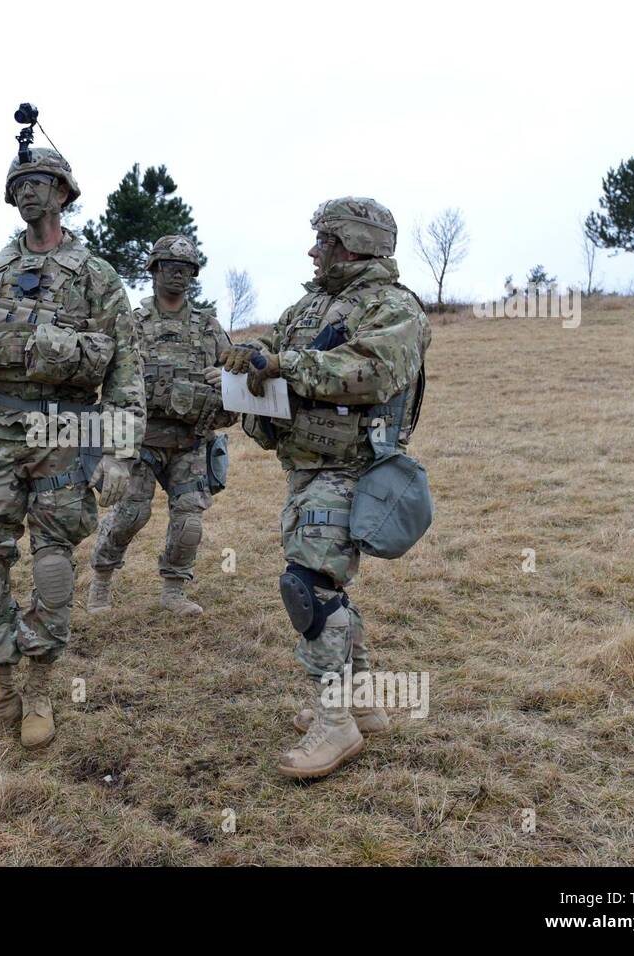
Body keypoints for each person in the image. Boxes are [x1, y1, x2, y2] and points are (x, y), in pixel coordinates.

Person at [0, 145, 144, 750]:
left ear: (64, 192)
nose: (28, 190)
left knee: (52, 562)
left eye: (40, 181)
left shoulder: (96, 277)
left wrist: (120, 450)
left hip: (65, 432)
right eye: (19, 182)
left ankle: (41, 686)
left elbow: (127, 368)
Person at [223, 197, 430, 780]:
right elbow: (272, 348)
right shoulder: (311, 305)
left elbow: (370, 371)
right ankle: (361, 702)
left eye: (324, 240)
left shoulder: (395, 309)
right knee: (327, 584)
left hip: (354, 468)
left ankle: (334, 720)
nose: (313, 250)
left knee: (308, 587)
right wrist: (247, 360)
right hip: (308, 467)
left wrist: (284, 366)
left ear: (353, 244)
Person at [88, 234, 236, 617]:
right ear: (154, 271)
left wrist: (226, 377)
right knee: (130, 516)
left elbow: (233, 371)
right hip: (142, 441)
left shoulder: (208, 327)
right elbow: (111, 377)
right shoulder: (133, 325)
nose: (178, 276)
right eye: (170, 267)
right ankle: (102, 577)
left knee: (189, 522)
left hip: (190, 441)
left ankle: (173, 589)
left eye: (186, 270)